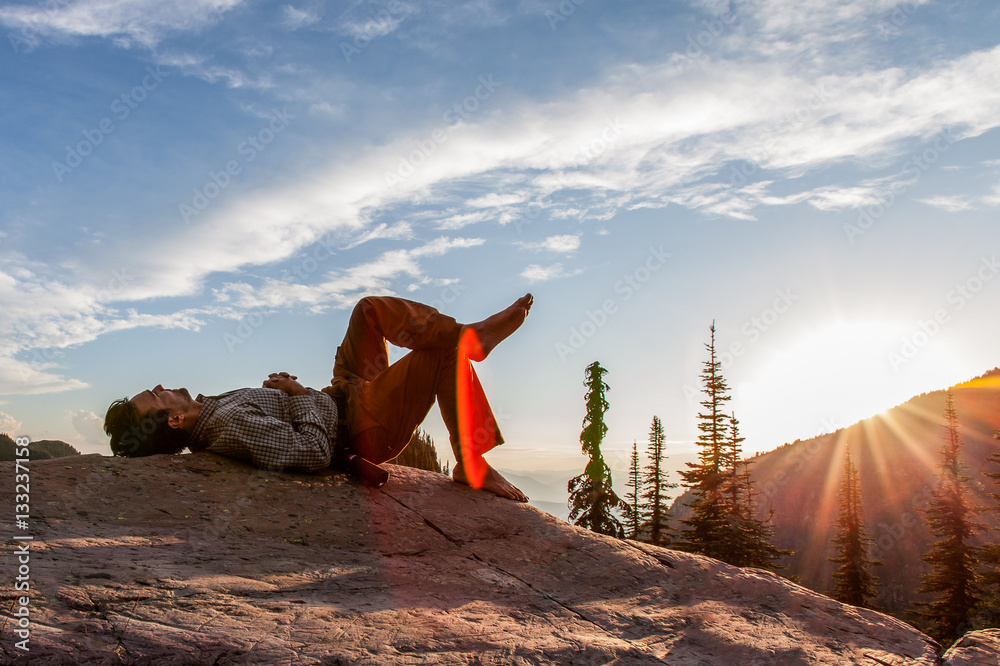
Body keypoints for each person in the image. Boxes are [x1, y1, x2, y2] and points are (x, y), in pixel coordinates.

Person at [103, 294, 533, 501]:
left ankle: (467, 336)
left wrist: (296, 394)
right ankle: (473, 463)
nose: (160, 386)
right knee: (441, 358)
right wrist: (300, 394)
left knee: (368, 310)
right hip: (361, 426)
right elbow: (311, 451)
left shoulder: (214, 407)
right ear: (174, 422)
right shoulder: (226, 423)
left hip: (344, 393)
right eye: (154, 397)